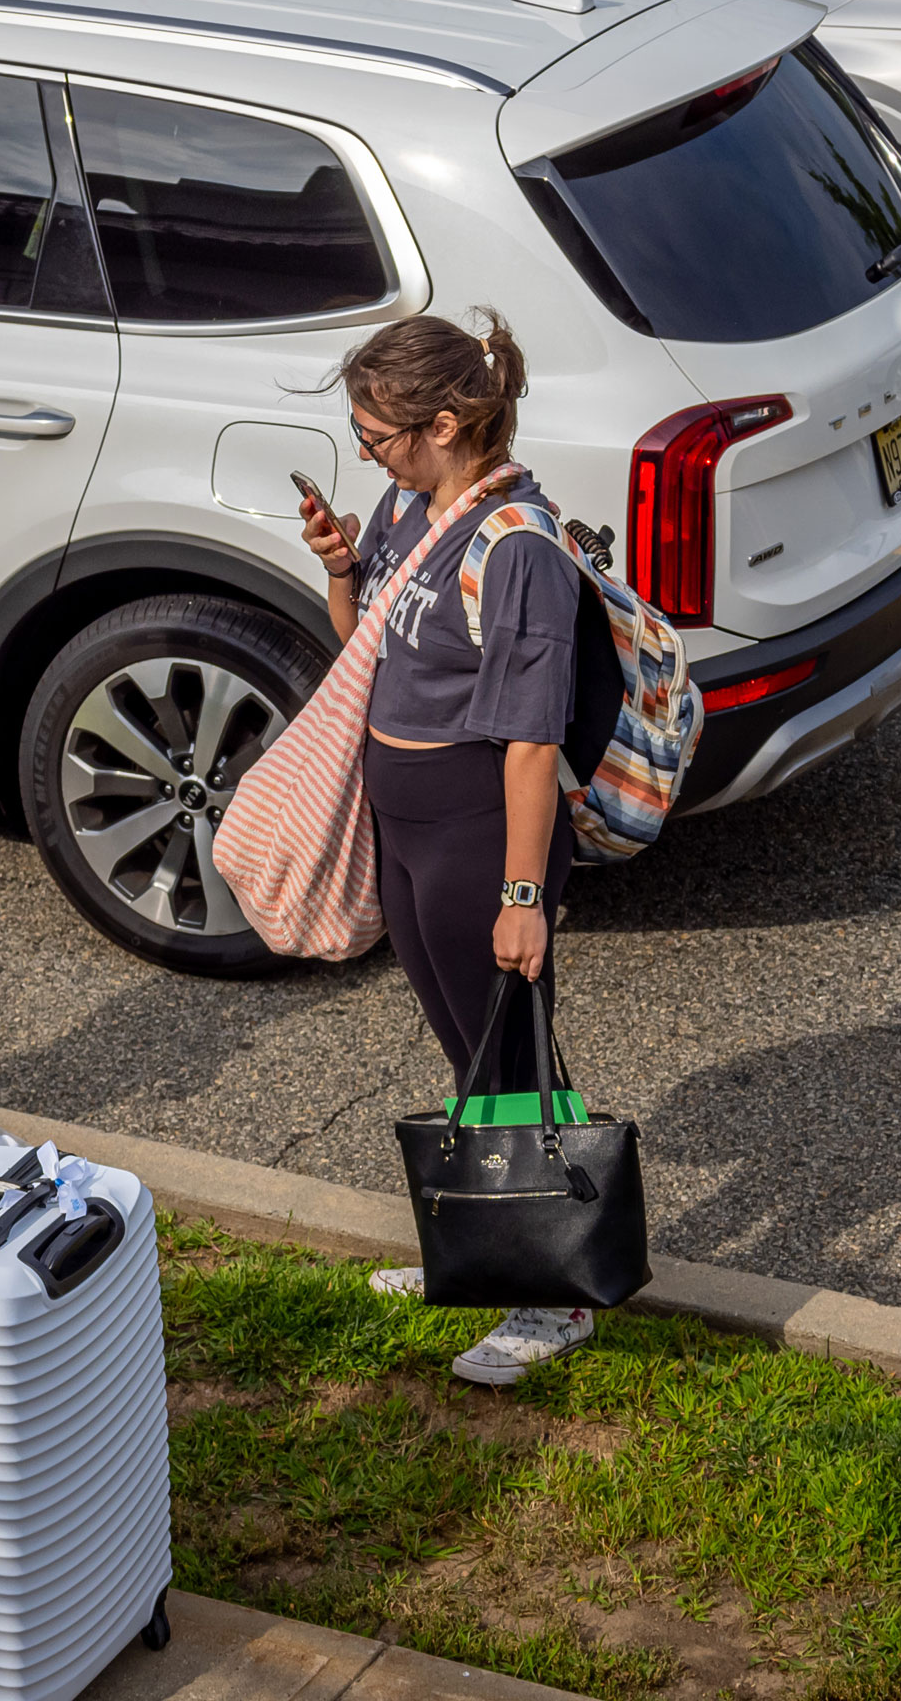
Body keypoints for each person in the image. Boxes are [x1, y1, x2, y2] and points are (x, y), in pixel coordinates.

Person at [296, 311, 590, 1382]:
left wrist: (522, 895)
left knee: (511, 1061)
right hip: (409, 823)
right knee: (468, 1051)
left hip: (478, 828)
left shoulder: (517, 552)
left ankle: (550, 1298)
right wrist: (340, 567)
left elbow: (529, 744)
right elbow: (368, 650)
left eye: (379, 436)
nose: (368, 453)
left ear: (448, 422)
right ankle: (480, 1251)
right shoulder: (409, 506)